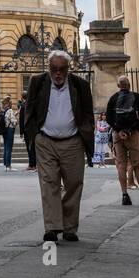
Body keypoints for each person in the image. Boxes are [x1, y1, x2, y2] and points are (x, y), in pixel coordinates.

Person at [24, 50, 95, 242]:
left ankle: (70, 228)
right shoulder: (37, 82)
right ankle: (52, 227)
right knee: (49, 184)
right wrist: (35, 136)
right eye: (54, 69)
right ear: (48, 68)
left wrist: (85, 135)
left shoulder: (80, 85)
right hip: (45, 141)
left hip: (72, 141)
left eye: (61, 69)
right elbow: (28, 110)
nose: (57, 74)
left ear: (68, 69)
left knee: (73, 184)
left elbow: (89, 114)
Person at [106, 75, 139, 208]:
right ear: (129, 85)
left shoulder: (113, 98)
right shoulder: (137, 97)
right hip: (133, 134)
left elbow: (109, 118)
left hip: (118, 135)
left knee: (121, 165)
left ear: (118, 86)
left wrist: (119, 130)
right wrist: (131, 130)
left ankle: (124, 195)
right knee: (138, 165)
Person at [0, 97, 17, 169]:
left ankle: (5, 163)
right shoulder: (10, 110)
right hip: (10, 130)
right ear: (8, 103)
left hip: (4, 130)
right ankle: (8, 165)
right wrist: (16, 121)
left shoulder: (3, 110)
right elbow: (13, 121)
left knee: (6, 146)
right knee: (9, 147)